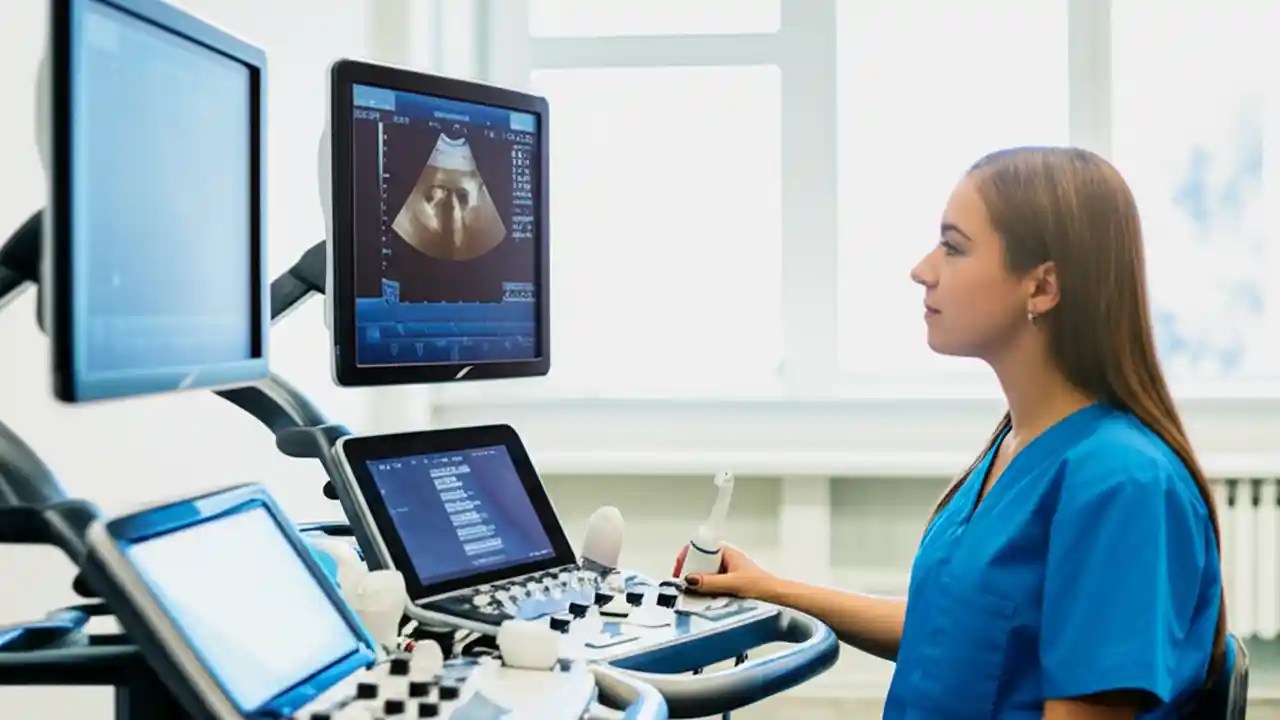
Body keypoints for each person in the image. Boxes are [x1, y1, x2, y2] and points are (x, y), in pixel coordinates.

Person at [674, 146, 1225, 719]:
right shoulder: (1016, 445)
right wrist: (770, 590)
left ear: (1042, 288)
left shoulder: (1123, 483)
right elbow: (957, 631)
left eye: (954, 247)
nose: (923, 269)